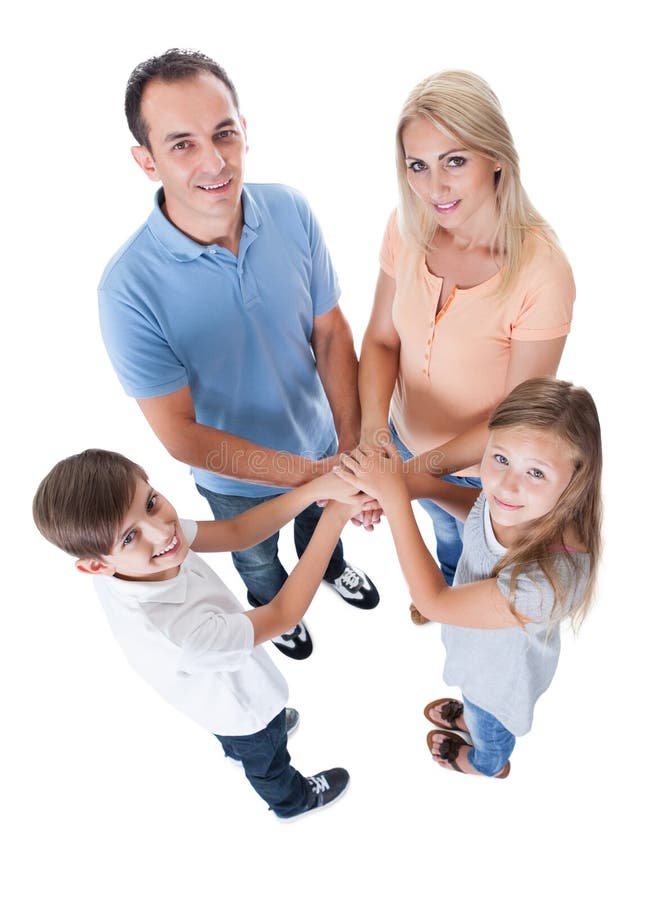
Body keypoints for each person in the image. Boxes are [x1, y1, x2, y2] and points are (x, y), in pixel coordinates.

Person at [98, 49, 378, 661]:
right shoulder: (127, 290)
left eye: (224, 133)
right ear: (146, 161)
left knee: (324, 532)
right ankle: (276, 607)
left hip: (323, 439)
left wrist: (349, 453)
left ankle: (329, 568)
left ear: (244, 129)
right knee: (255, 553)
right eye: (182, 145)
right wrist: (317, 478)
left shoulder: (291, 210)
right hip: (235, 480)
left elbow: (330, 333)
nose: (215, 160)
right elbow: (180, 435)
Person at [33, 450, 372, 818]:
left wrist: (315, 490)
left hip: (205, 691)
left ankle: (239, 748)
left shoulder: (136, 554)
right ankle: (292, 800)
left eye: (151, 502)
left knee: (237, 737)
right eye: (130, 537)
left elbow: (236, 532)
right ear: (95, 565)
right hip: (243, 708)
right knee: (266, 755)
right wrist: (336, 514)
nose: (162, 530)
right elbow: (283, 613)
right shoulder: (182, 632)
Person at [359, 70, 576, 604]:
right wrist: (374, 440)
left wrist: (403, 478)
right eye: (418, 165)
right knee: (442, 534)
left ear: (496, 157)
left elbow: (515, 422)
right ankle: (443, 585)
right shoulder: (405, 227)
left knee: (478, 567)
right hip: (403, 441)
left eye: (455, 161)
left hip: (486, 476)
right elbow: (382, 342)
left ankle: (456, 604)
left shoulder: (541, 273)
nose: (435, 188)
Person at [336, 377, 601, 777]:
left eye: (536, 472)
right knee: (471, 699)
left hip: (499, 682)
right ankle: (467, 718)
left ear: (576, 478)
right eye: (500, 458)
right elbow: (478, 514)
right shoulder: (520, 504)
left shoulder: (549, 584)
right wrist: (411, 486)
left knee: (487, 723)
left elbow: (434, 602)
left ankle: (484, 763)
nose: (506, 483)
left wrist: (393, 495)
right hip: (478, 653)